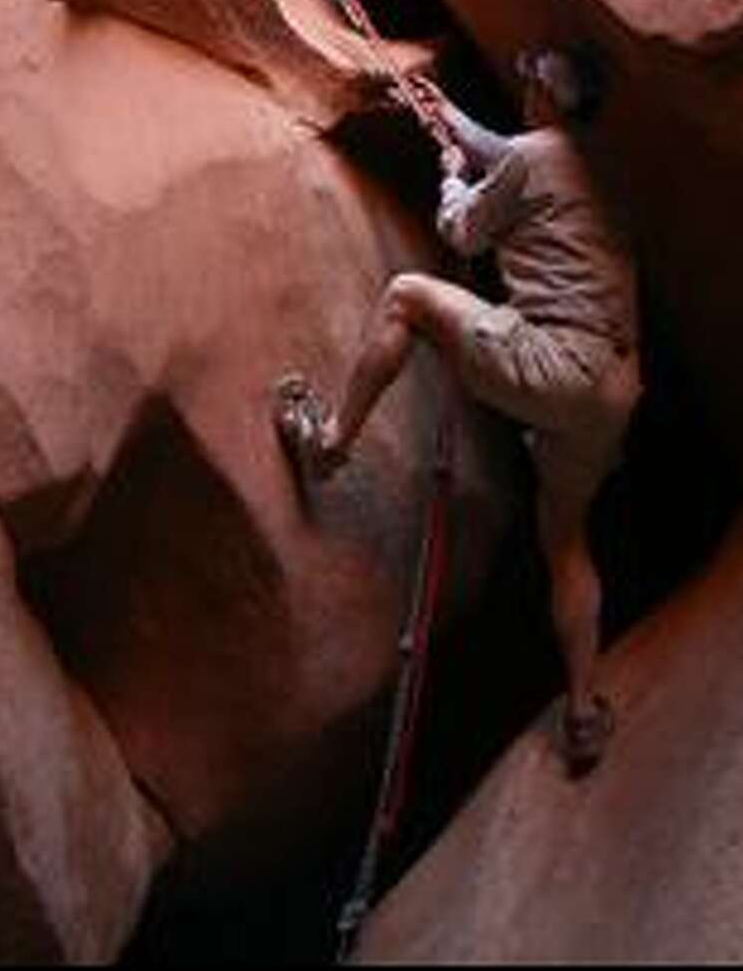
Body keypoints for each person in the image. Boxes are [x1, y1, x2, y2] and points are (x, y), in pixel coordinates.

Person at [274, 45, 640, 777]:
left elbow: (464, 231)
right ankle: (582, 708)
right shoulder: (585, 163)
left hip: (554, 364)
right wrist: (448, 117)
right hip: (616, 391)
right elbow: (512, 157)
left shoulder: (532, 156)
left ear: (539, 92)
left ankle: (331, 443)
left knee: (407, 295)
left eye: (531, 74)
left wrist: (450, 182)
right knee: (565, 538)